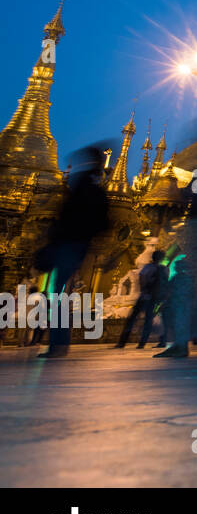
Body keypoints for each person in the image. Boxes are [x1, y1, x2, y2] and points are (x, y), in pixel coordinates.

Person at [33, 145, 110, 358]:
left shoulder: (83, 185)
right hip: (77, 246)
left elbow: (69, 216)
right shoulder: (92, 186)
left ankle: (57, 344)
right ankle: (58, 343)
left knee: (57, 295)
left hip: (69, 245)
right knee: (58, 294)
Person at [116, 249, 163, 349]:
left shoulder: (149, 267)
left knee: (133, 319)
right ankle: (141, 343)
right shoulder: (161, 269)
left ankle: (122, 342)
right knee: (147, 320)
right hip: (152, 298)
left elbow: (142, 277)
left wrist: (144, 290)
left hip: (144, 297)